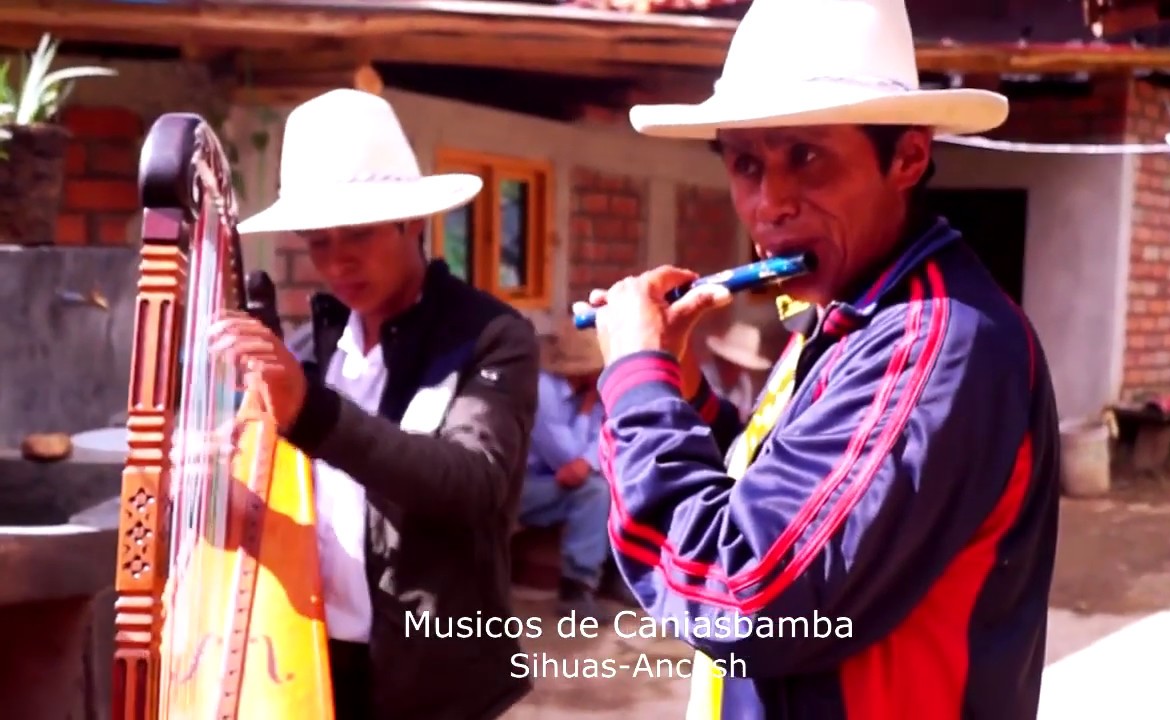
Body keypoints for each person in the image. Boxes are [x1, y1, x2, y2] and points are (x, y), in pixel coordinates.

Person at [575, 0, 1062, 718]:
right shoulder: (851, 310)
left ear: (908, 157)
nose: (770, 204)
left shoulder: (929, 342)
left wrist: (638, 389)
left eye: (807, 157)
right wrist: (682, 394)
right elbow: (792, 499)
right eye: (745, 164)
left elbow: (744, 594)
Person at [208, 89, 540, 720]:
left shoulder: (491, 336)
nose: (338, 262)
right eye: (318, 241)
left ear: (412, 222)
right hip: (307, 655)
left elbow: (473, 482)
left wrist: (312, 412)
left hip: (432, 678)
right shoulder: (312, 348)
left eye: (357, 233)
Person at [519, 318, 611, 618]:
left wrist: (587, 461)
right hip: (519, 486)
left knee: (619, 482)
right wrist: (586, 419)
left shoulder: (590, 392)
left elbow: (605, 439)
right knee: (595, 492)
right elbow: (567, 458)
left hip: (556, 483)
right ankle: (576, 586)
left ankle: (613, 575)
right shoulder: (542, 392)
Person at [700, 321, 772, 421]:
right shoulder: (702, 378)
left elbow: (744, 415)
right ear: (721, 360)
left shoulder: (743, 383)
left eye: (741, 366)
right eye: (734, 365)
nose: (738, 370)